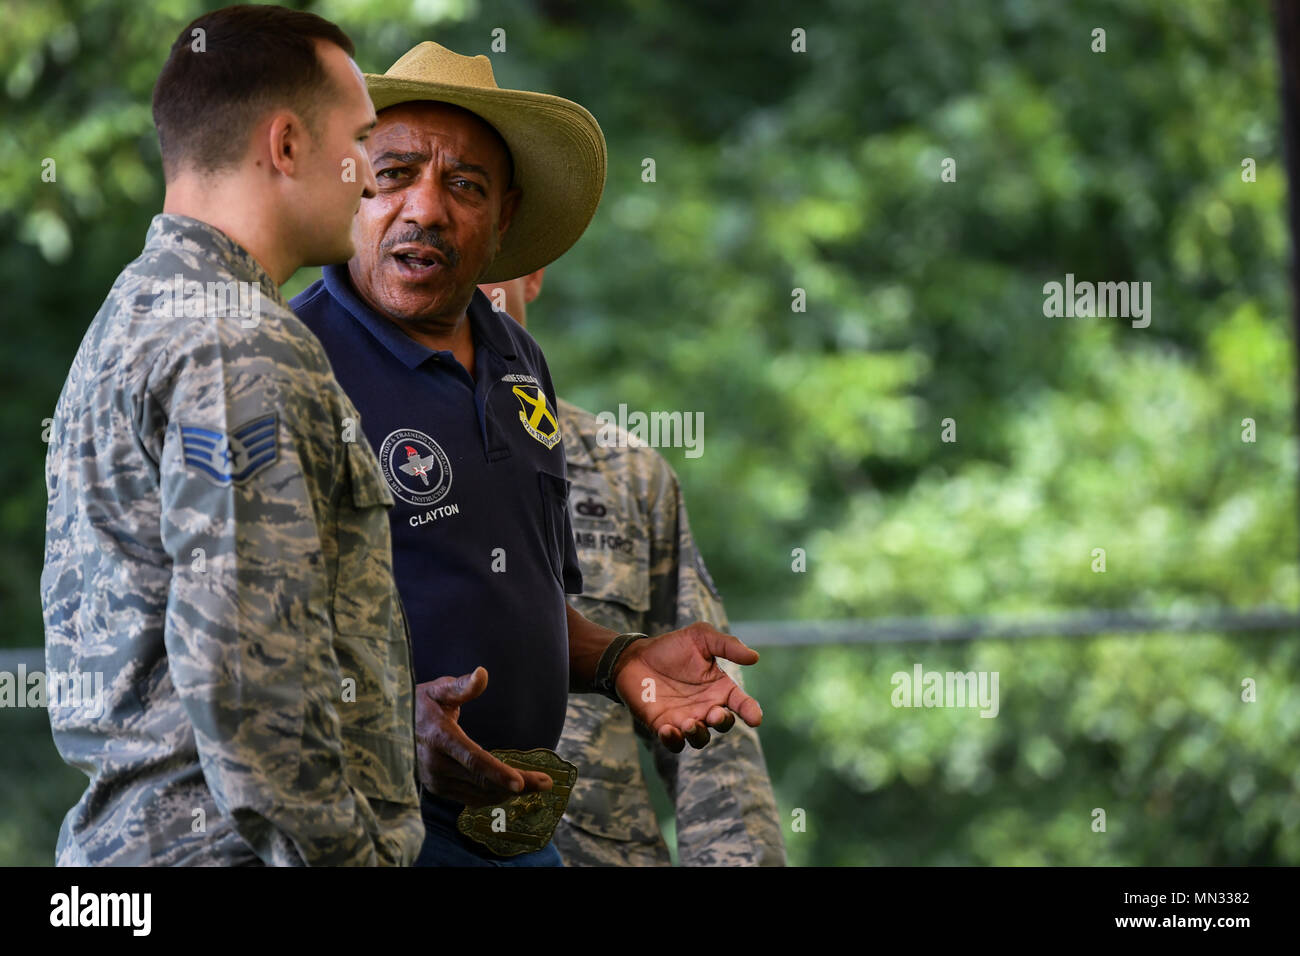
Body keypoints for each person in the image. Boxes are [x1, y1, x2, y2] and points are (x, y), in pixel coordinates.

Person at [292, 41, 764, 867]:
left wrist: (623, 658)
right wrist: (392, 722)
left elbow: (521, 599)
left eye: (464, 185)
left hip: (516, 835)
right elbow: (231, 645)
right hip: (371, 828)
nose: (427, 209)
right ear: (347, 186)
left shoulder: (514, 358)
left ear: (504, 219)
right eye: (395, 173)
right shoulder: (290, 359)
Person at [41, 5, 423, 866]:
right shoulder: (238, 339)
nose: (369, 175)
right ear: (286, 145)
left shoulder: (132, 313)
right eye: (359, 139)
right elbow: (251, 681)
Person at [479, 271, 787, 866]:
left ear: (535, 269)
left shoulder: (627, 473)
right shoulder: (347, 444)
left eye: (494, 244)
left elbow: (711, 720)